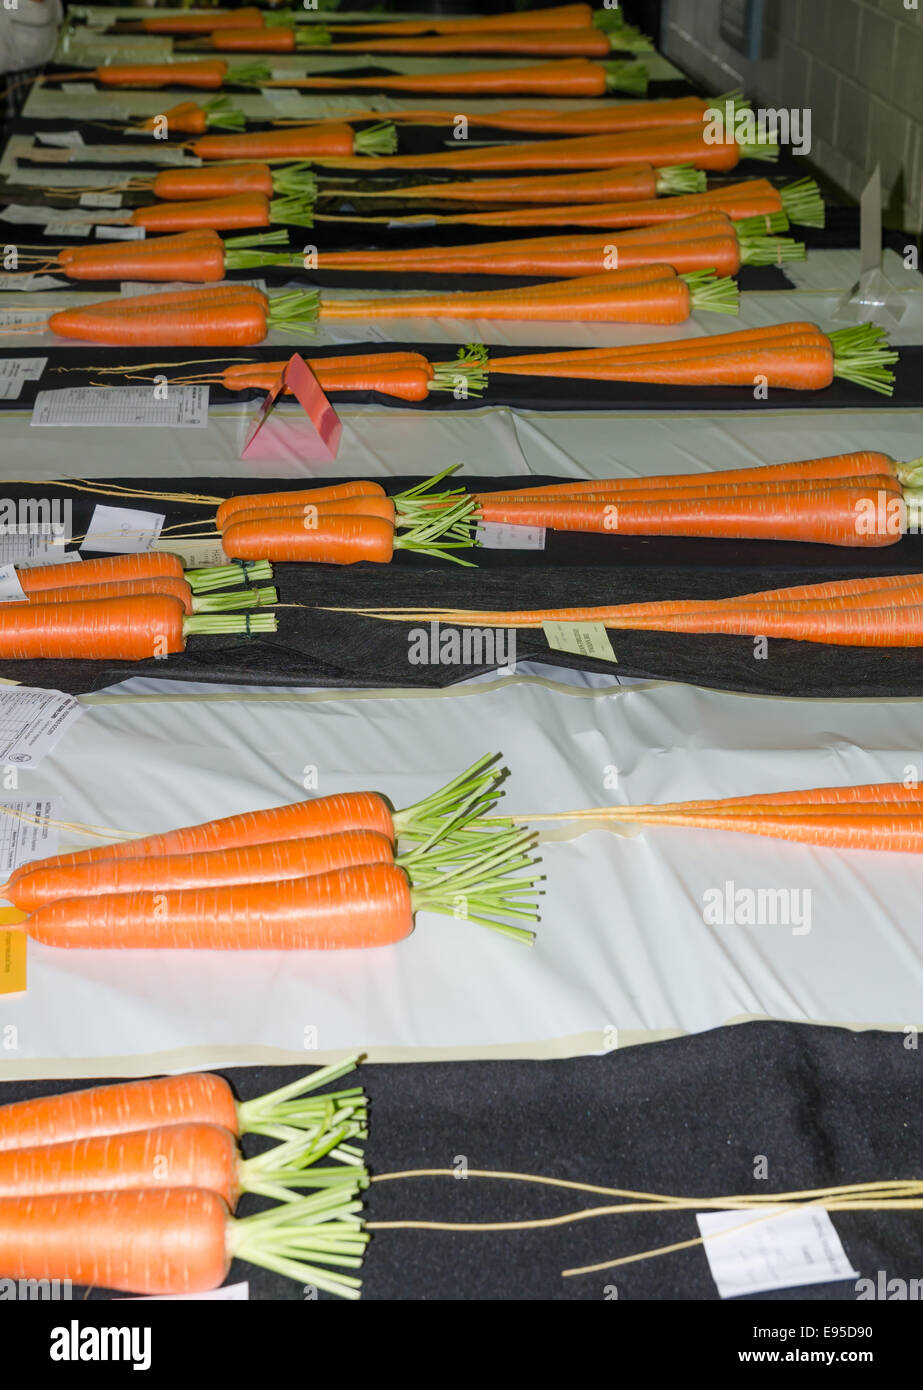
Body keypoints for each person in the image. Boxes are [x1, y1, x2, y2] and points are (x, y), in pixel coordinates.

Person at [0, 0, 64, 76]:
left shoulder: (6, 7)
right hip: (45, 69)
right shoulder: (53, 3)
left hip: (11, 79)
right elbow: (59, 20)